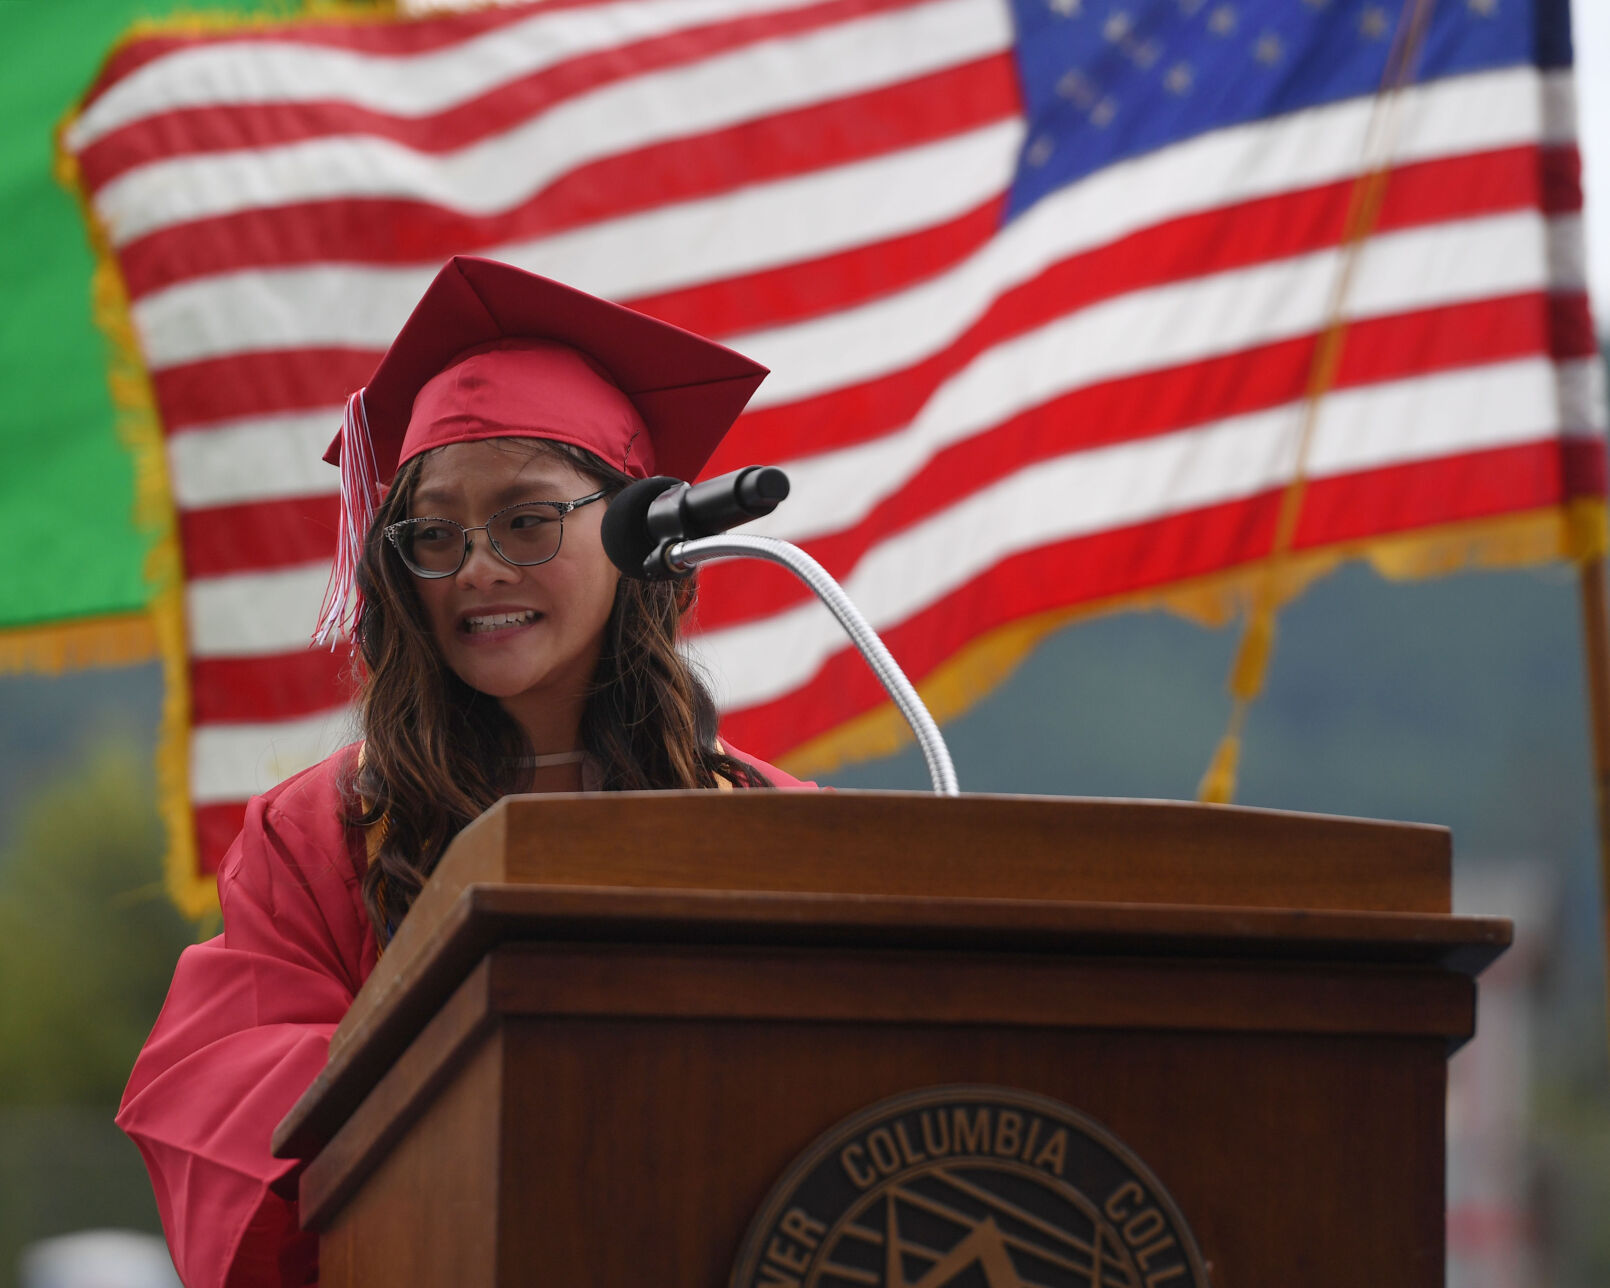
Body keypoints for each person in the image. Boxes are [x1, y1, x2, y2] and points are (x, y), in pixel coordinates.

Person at [117, 257, 813, 1288]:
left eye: (527, 519)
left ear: (637, 531)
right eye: (433, 533)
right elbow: (222, 1097)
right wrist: (519, 1081)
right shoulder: (321, 835)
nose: (478, 565)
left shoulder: (779, 828)